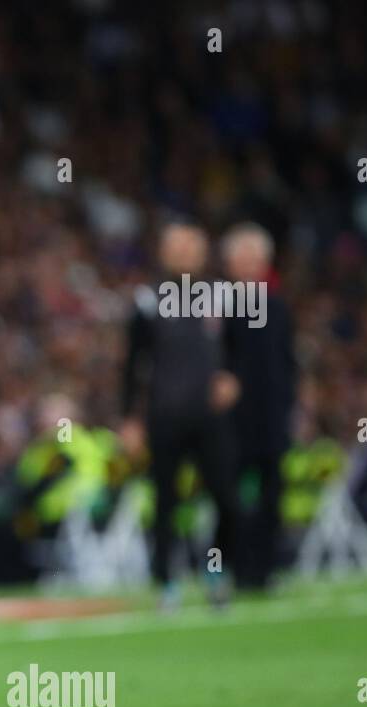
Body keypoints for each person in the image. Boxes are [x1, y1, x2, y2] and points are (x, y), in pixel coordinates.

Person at [121, 223, 241, 609]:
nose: (186, 254)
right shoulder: (147, 299)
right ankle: (166, 581)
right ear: (164, 253)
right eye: (178, 247)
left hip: (210, 416)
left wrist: (232, 377)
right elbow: (131, 364)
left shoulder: (221, 296)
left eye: (192, 246)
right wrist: (129, 418)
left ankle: (215, 571)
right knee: (166, 501)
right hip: (165, 414)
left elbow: (239, 349)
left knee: (224, 495)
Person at [221, 223, 296, 590]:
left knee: (271, 494)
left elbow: (287, 362)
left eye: (257, 258)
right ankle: (233, 569)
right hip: (234, 423)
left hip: (272, 417)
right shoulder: (219, 306)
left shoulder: (278, 307)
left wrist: (292, 406)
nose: (251, 265)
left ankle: (265, 570)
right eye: (244, 257)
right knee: (232, 497)